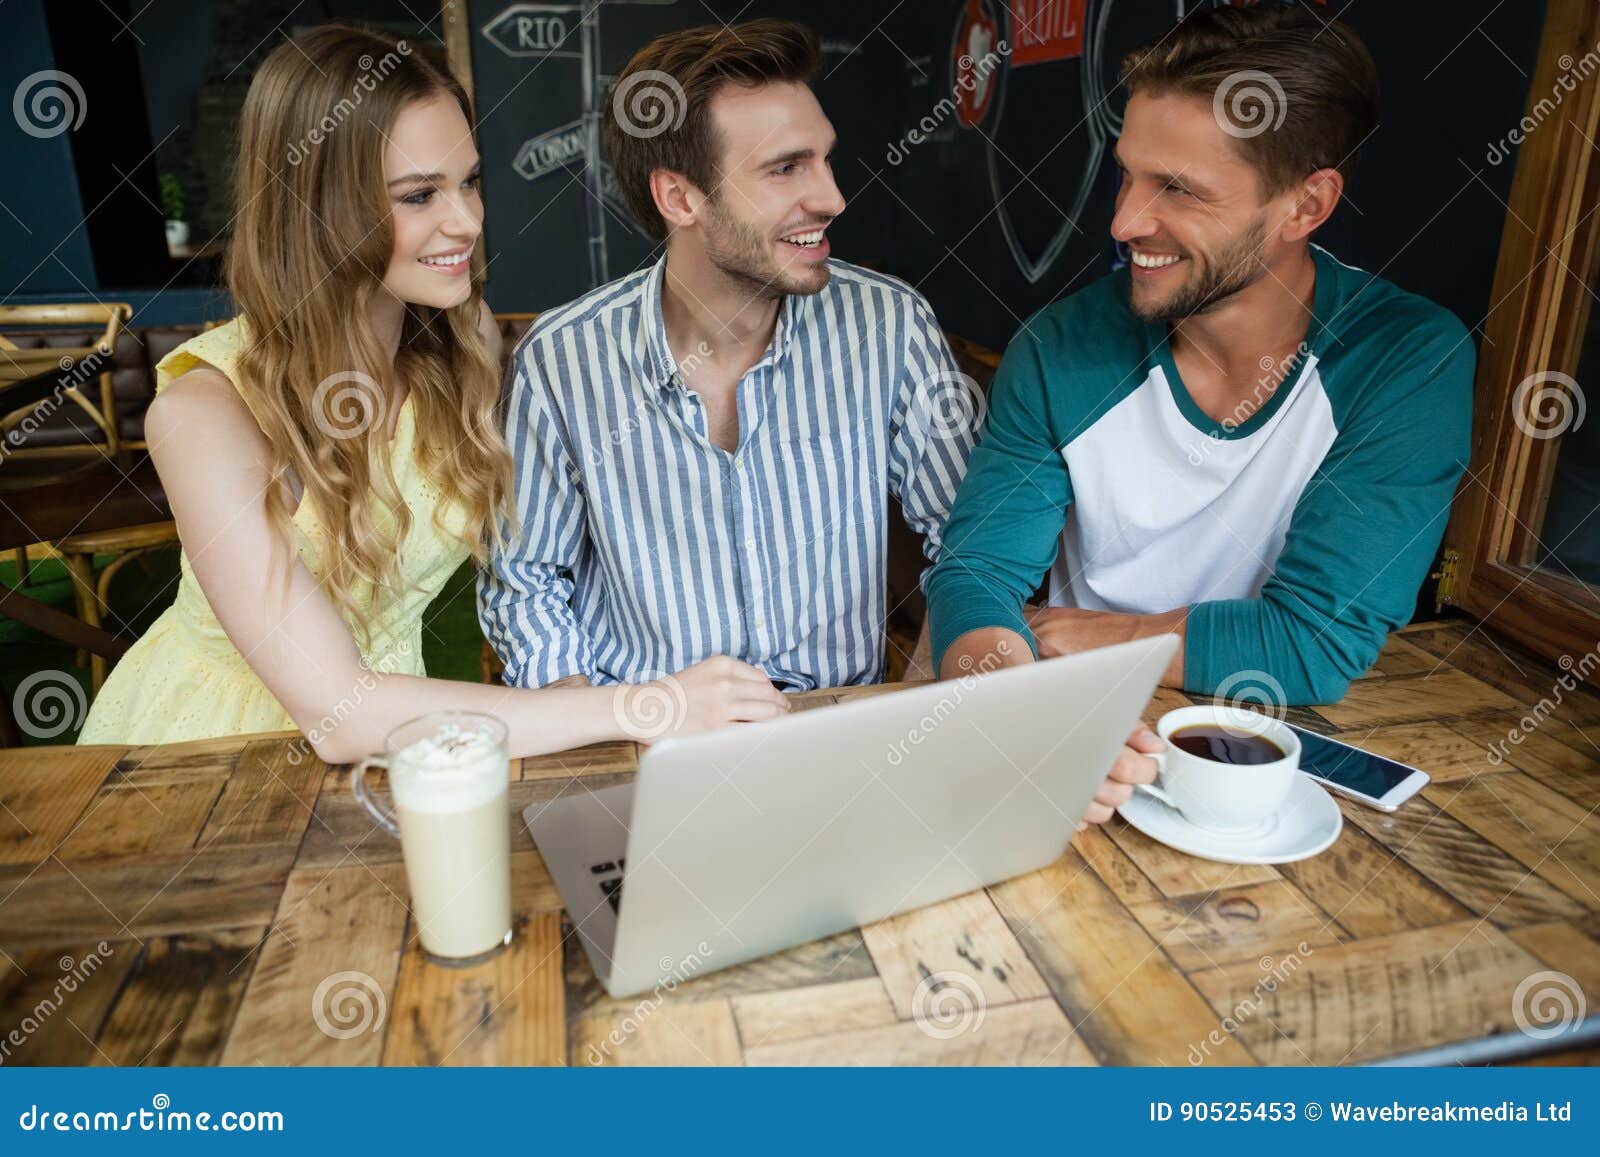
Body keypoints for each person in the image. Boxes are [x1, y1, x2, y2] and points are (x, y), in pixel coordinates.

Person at [78, 25, 786, 760]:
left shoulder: (460, 339)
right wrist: (651, 702)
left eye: (470, 181)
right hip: (214, 762)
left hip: (414, 745)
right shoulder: (204, 412)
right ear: (317, 209)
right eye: (420, 195)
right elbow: (340, 713)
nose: (469, 221)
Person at [928, 3, 1475, 823]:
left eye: (1178, 189)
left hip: (1275, 770)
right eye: (1128, 173)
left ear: (1306, 205)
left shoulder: (1405, 359)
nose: (1123, 222)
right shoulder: (1061, 345)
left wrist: (1082, 636)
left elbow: (1312, 646)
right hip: (1072, 733)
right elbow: (976, 578)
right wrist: (1026, 713)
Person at [479, 20, 976, 692]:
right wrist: (599, 745)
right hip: (646, 738)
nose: (832, 198)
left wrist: (912, 711)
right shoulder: (562, 362)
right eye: (786, 168)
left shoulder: (889, 326)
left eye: (825, 160)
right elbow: (524, 582)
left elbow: (973, 544)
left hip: (838, 735)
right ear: (680, 197)